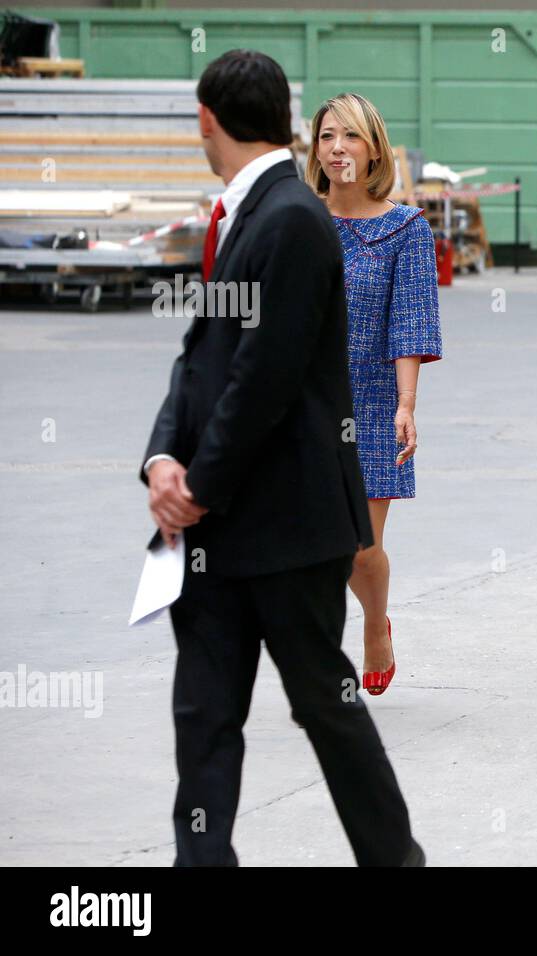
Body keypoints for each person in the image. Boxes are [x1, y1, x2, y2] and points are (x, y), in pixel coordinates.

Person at [140, 50, 422, 866]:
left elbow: (268, 375)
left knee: (326, 709)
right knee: (204, 713)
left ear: (206, 120)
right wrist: (162, 458)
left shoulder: (292, 221)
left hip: (290, 529)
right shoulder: (246, 214)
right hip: (218, 527)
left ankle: (396, 858)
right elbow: (203, 357)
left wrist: (197, 485)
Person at [307, 92, 443, 696]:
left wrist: (406, 404)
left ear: (374, 149)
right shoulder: (297, 220)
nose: (338, 148)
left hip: (371, 398)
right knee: (315, 545)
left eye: (351, 137)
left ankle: (373, 623)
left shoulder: (406, 228)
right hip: (302, 401)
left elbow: (410, 320)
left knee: (361, 548)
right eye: (328, 136)